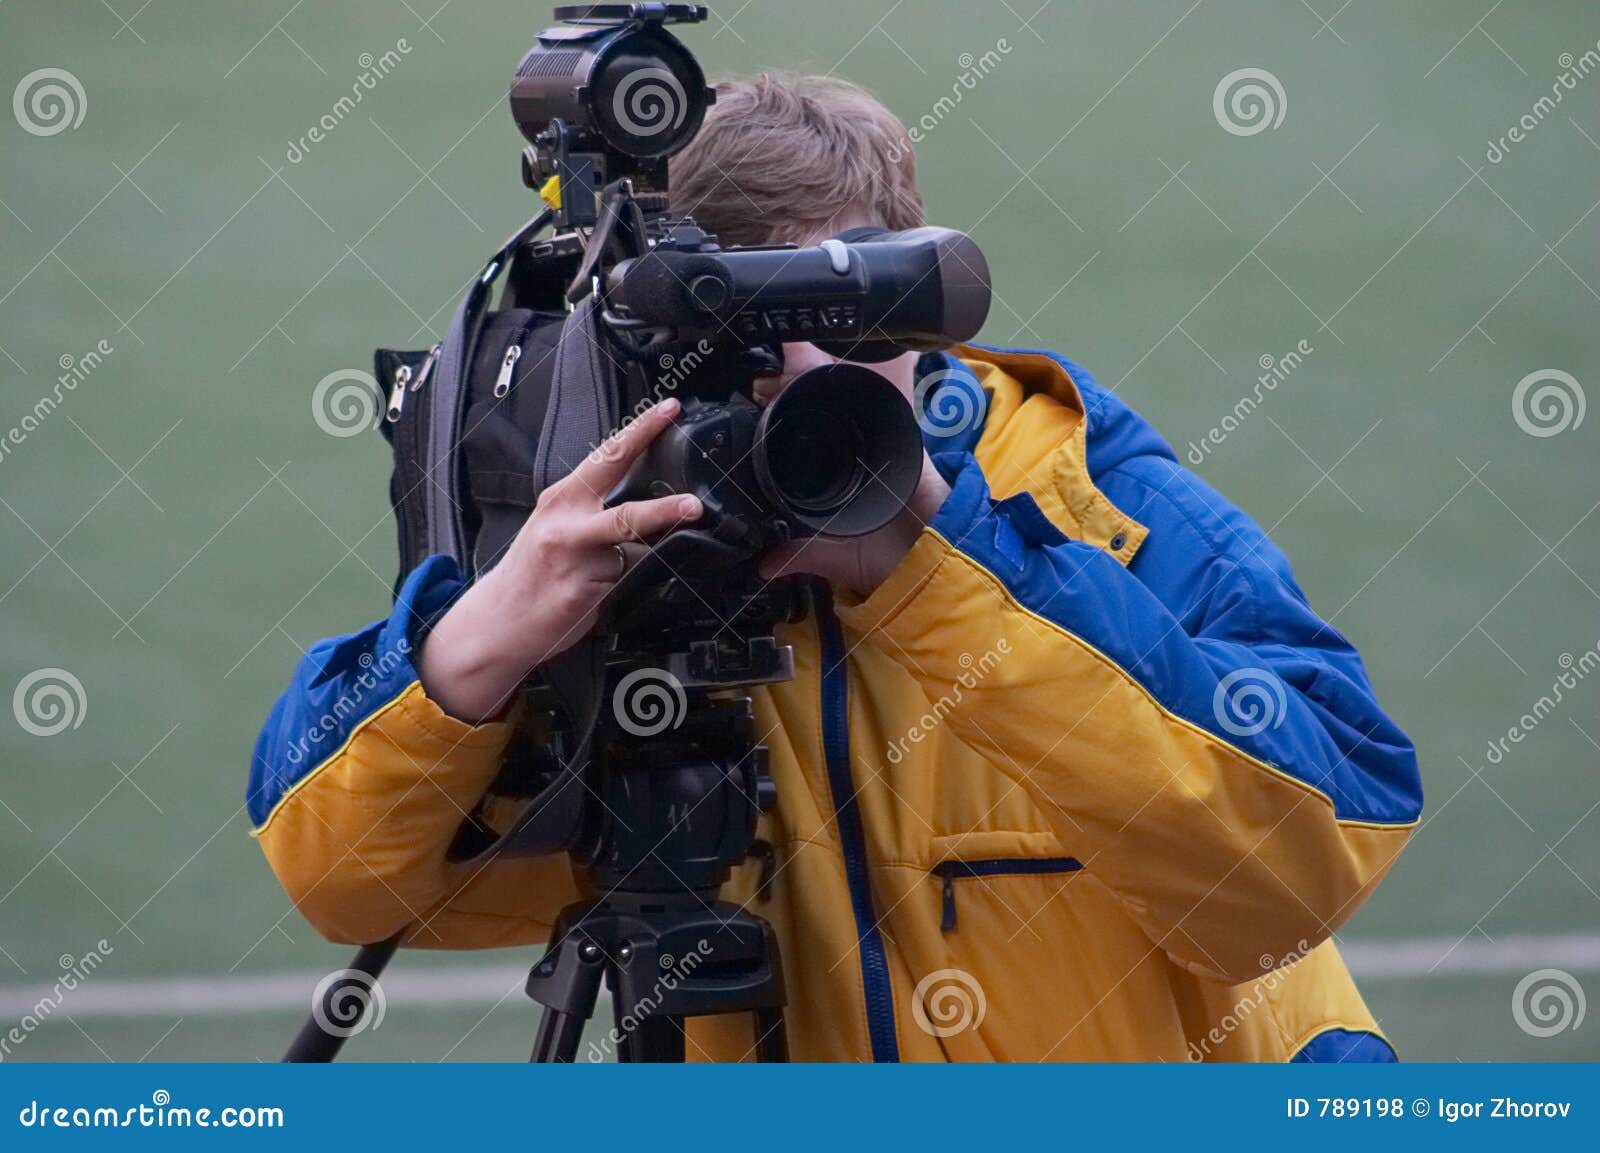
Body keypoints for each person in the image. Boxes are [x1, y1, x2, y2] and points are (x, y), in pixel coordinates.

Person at [249, 75, 1422, 1062]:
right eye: (743, 345)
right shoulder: (635, 565)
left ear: (914, 305)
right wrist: (473, 649)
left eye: (848, 322)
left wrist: (931, 563)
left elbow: (1311, 858)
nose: (804, 378)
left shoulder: (1087, 500)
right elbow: (348, 886)